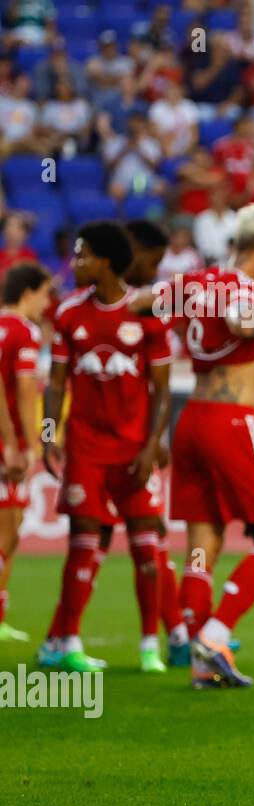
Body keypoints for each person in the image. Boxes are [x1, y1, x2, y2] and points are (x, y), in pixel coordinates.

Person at [133, 204, 254, 688]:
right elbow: (244, 325)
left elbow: (139, 302)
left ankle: (199, 655)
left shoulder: (194, 282)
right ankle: (217, 634)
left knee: (203, 544)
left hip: (192, 423)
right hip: (231, 421)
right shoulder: (245, 288)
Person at [39, 223, 172, 674]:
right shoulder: (68, 313)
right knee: (84, 542)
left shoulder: (146, 314)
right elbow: (56, 384)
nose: (74, 264)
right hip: (87, 450)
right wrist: (48, 434)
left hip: (134, 450)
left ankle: (149, 645)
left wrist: (152, 446)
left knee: (147, 552)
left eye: (83, 256)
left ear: (107, 262)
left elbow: (162, 391)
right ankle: (68, 642)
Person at [0, 263, 50, 643]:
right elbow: (24, 390)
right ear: (28, 292)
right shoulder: (24, 331)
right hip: (6, 445)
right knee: (8, 533)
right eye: (45, 294)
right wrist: (24, 443)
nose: (46, 304)